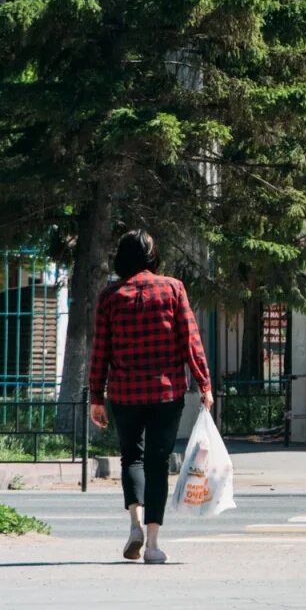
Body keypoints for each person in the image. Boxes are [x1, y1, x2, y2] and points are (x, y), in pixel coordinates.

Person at [88, 229, 212, 565]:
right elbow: (190, 339)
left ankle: (133, 526)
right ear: (151, 256)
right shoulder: (173, 289)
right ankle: (154, 543)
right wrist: (204, 384)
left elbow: (100, 350)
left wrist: (95, 396)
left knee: (131, 458)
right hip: (166, 391)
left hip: (124, 393)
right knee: (158, 463)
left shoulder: (110, 296)